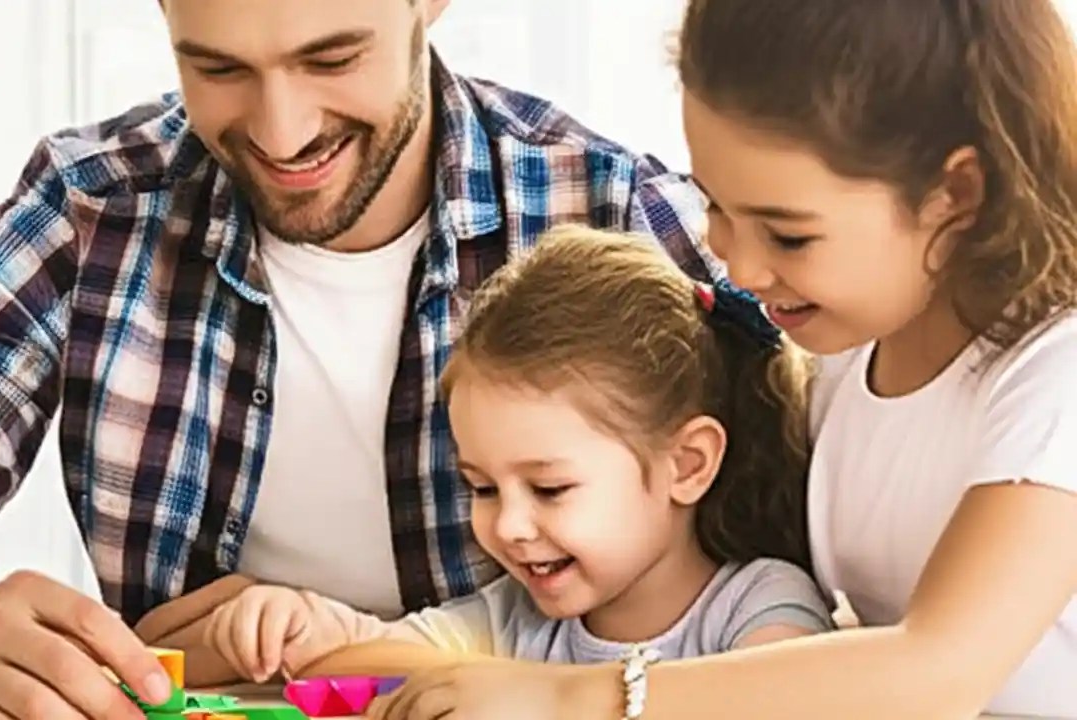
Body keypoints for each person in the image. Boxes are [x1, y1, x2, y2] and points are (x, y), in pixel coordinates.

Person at [0, 0, 711, 718]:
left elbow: (804, 600)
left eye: (332, 57)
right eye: (219, 67)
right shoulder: (94, 211)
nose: (280, 133)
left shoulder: (610, 212)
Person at [355, 1, 1077, 718]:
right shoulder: (846, 362)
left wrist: (567, 698)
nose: (739, 263)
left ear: (955, 194)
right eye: (718, 208)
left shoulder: (1056, 374)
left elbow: (941, 673)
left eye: (789, 236)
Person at [203, 226, 833, 684]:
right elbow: (365, 657)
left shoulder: (762, 605)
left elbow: (781, 701)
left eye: (550, 489)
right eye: (483, 488)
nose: (506, 526)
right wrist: (302, 624)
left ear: (687, 464)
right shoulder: (512, 620)